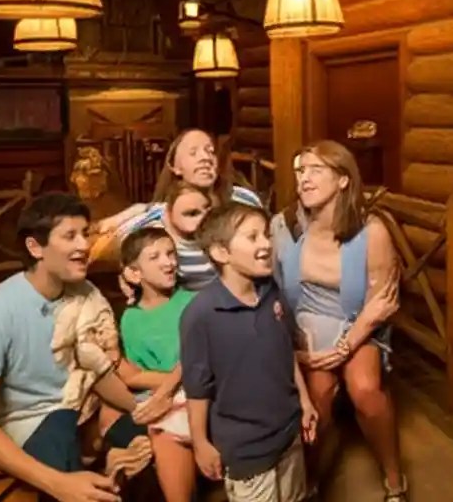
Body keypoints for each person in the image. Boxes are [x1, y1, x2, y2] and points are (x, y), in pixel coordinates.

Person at [0, 192, 172, 502]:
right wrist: (58, 483)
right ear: (35, 247)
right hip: (30, 428)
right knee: (62, 436)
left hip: (80, 418)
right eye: (69, 236)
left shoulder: (86, 294)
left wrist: (143, 413)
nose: (84, 246)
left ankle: (110, 467)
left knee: (157, 447)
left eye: (85, 234)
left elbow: (95, 371)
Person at [272, 140, 405, 500]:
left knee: (364, 390)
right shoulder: (283, 226)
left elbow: (382, 305)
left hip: (357, 324)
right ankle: (310, 482)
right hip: (303, 328)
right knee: (316, 395)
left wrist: (344, 346)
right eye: (300, 171)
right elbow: (272, 294)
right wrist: (297, 353)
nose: (305, 179)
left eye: (317, 170)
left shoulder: (371, 230)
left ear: (344, 180)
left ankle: (395, 482)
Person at [181, 202, 318, 502]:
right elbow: (196, 388)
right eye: (252, 236)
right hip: (247, 449)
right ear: (220, 252)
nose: (266, 244)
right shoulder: (201, 315)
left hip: (289, 432)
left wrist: (305, 402)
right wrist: (200, 442)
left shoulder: (271, 291)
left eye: (266, 235)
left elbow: (287, 352)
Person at [119, 227, 197, 502]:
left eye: (171, 254)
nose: (169, 262)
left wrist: (168, 386)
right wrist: (165, 387)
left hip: (198, 393)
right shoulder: (130, 319)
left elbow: (201, 358)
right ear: (133, 274)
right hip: (160, 402)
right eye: (155, 257)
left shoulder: (192, 303)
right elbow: (135, 375)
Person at [95, 129, 262, 237]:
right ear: (175, 167)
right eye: (193, 152)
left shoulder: (245, 200)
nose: (205, 158)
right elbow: (115, 239)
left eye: (210, 151)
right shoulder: (162, 215)